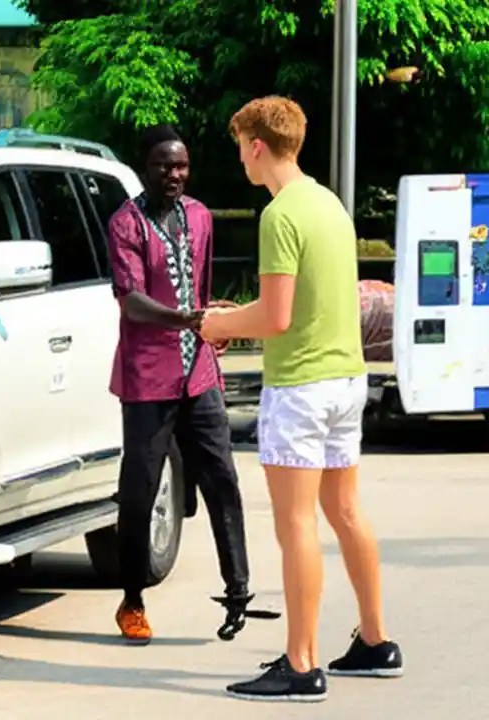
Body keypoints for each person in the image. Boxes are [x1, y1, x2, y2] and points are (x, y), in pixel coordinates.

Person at [201, 96, 403, 703]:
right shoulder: (329, 204)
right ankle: (375, 642)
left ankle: (301, 663)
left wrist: (220, 323)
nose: (240, 157)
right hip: (345, 380)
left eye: (241, 145)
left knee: (296, 526)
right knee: (346, 513)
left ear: (258, 145)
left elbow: (276, 315)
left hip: (301, 388)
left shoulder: (281, 214)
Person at [106, 123, 257, 645]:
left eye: (181, 165)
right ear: (144, 167)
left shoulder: (199, 216)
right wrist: (187, 320)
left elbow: (204, 286)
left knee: (223, 480)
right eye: (164, 165)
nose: (174, 174)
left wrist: (210, 327)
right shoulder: (127, 223)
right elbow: (130, 300)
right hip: (147, 378)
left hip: (199, 375)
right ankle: (132, 600)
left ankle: (238, 590)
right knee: (139, 492)